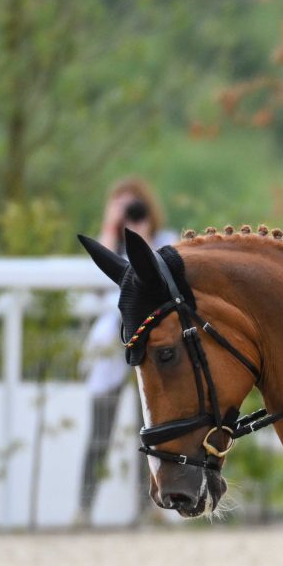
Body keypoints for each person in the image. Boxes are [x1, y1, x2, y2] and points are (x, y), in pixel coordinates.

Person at [79, 177, 176, 517]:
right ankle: (84, 507)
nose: (130, 214)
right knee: (100, 429)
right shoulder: (108, 247)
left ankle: (149, 507)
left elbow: (161, 283)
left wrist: (142, 242)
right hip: (111, 342)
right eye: (123, 208)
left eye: (136, 207)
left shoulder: (165, 241)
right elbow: (91, 288)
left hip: (151, 344)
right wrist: (110, 231)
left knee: (148, 429)